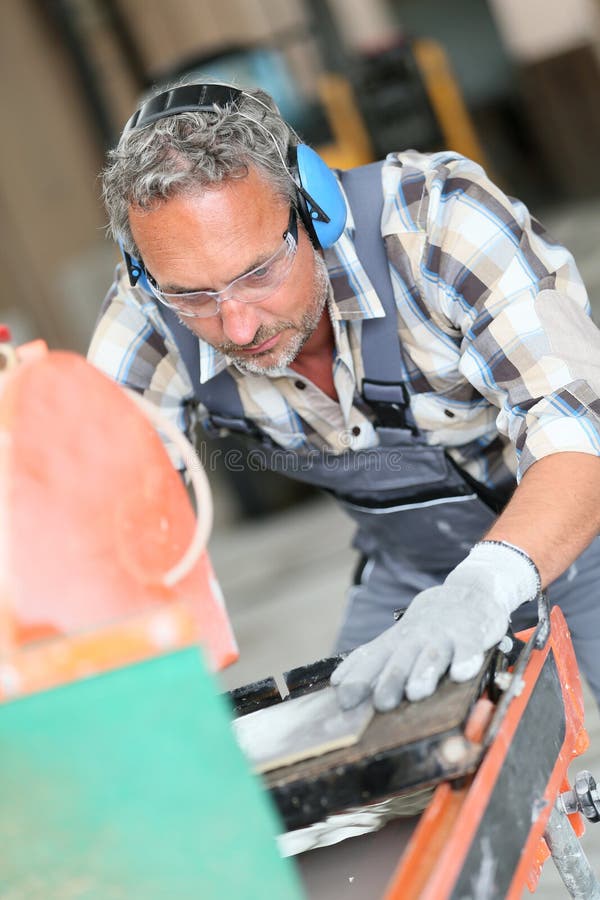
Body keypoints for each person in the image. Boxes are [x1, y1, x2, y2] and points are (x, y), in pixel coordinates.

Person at [89, 80, 600, 712]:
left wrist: (485, 587)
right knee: (365, 774)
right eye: (194, 296)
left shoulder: (438, 225)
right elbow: (102, 526)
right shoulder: (150, 310)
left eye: (258, 273)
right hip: (414, 575)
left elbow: (578, 427)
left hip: (580, 526)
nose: (238, 327)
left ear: (314, 208)